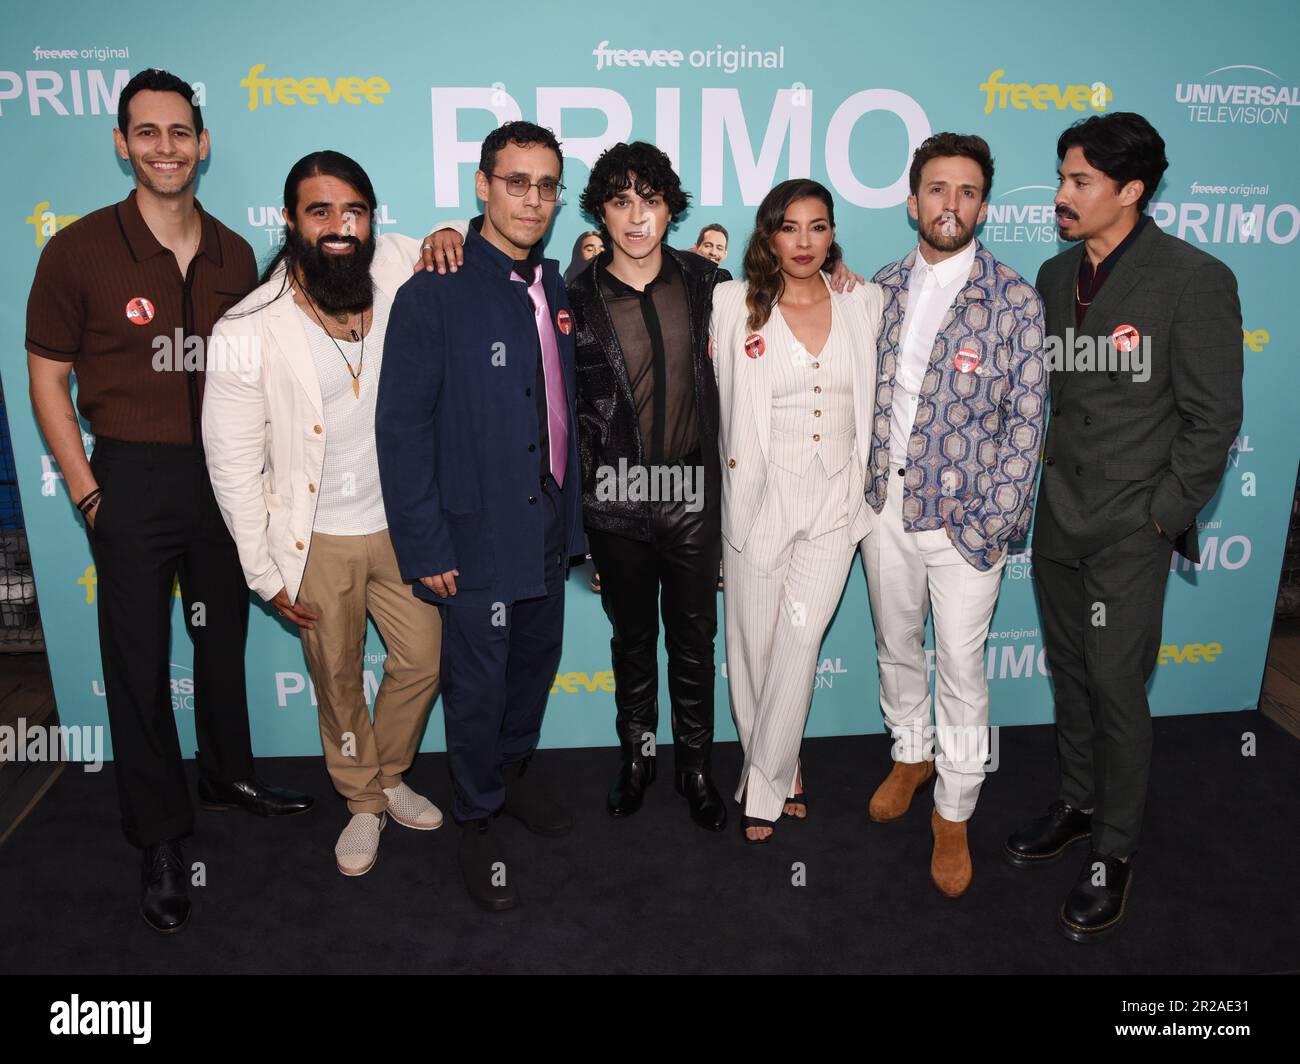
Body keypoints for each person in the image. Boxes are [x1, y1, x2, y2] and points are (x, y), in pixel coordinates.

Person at [24, 69, 312, 935]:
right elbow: (47, 376)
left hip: (224, 483)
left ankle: (229, 775)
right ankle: (158, 831)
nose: (165, 147)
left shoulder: (232, 251)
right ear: (122, 143)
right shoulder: (75, 250)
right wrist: (86, 492)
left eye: (180, 132)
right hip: (131, 481)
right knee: (139, 662)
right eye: (147, 133)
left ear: (204, 142)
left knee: (220, 638)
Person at [1006, 112, 1243, 941]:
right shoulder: (1052, 272)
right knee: (1070, 672)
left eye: (1080, 182)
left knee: (1115, 684)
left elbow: (1212, 421)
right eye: (1062, 178)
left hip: (1129, 529)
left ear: (1130, 191)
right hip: (1057, 518)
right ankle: (1076, 800)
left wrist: (1159, 520)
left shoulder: (1192, 278)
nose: (1062, 195)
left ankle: (1114, 846)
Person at [203, 151, 445, 878]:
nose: (340, 226)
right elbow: (233, 462)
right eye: (320, 211)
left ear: (374, 218)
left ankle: (390, 772)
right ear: (290, 220)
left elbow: (451, 238)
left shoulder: (401, 266)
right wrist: (264, 571)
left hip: (404, 527)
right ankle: (362, 801)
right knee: (337, 681)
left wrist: (446, 233)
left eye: (355, 211)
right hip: (314, 543)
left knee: (423, 661)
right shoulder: (248, 325)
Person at [376, 120, 582, 912]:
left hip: (548, 525)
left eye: (546, 185)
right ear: (482, 186)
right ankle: (478, 818)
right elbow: (401, 427)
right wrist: (424, 540)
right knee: (477, 688)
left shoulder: (556, 284)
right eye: (515, 182)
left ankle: (516, 775)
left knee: (533, 667)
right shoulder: (435, 288)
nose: (532, 199)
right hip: (469, 536)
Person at [861, 133, 1047, 898]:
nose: (951, 203)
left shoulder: (1015, 300)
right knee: (897, 646)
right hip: (883, 513)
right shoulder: (878, 288)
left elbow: (1028, 425)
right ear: (913, 201)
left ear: (983, 205)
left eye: (967, 191)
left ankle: (954, 809)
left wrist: (988, 525)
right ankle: (912, 755)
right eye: (938, 189)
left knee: (963, 670)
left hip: (966, 526)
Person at [711, 179, 882, 843]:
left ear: (832, 233)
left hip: (836, 497)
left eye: (818, 227)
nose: (804, 242)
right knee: (753, 649)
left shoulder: (864, 301)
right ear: (768, 235)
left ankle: (765, 784)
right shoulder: (731, 303)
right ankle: (785, 765)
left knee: (800, 639)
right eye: (790, 228)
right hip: (758, 496)